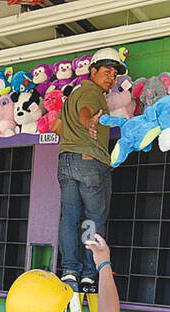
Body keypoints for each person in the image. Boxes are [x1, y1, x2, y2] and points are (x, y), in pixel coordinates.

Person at [55, 48, 126, 292]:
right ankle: (87, 273)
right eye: (107, 72)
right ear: (92, 71)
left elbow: (56, 127)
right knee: (93, 218)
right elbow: (87, 111)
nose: (111, 78)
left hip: (66, 161)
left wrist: (76, 135)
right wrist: (88, 124)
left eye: (115, 75)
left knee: (70, 218)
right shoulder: (91, 93)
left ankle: (69, 272)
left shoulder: (71, 97)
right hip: (89, 160)